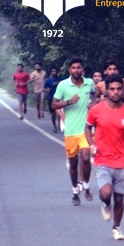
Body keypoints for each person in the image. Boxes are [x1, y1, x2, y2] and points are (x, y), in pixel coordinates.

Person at [85, 74, 124, 240]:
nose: (115, 92)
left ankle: (116, 227)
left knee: (119, 197)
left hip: (123, 160)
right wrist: (92, 145)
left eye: (118, 89)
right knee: (106, 192)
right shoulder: (96, 110)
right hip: (103, 159)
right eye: (112, 89)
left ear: (123, 91)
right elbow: (87, 128)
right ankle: (105, 203)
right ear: (106, 91)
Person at [51, 57, 96, 206]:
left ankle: (86, 185)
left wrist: (93, 104)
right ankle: (75, 191)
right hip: (70, 131)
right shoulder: (63, 85)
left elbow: (94, 95)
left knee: (85, 157)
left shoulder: (89, 83)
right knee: (73, 163)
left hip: (85, 129)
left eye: (79, 67)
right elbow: (54, 104)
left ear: (83, 69)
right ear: (69, 69)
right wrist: (68, 102)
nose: (76, 70)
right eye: (73, 68)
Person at [45, 66, 63, 133]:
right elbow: (44, 88)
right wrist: (47, 91)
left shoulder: (61, 80)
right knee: (53, 114)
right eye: (53, 71)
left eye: (55, 71)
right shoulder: (48, 80)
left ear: (57, 72)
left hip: (59, 98)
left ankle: (59, 123)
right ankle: (54, 126)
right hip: (51, 98)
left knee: (59, 112)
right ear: (51, 72)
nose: (54, 72)